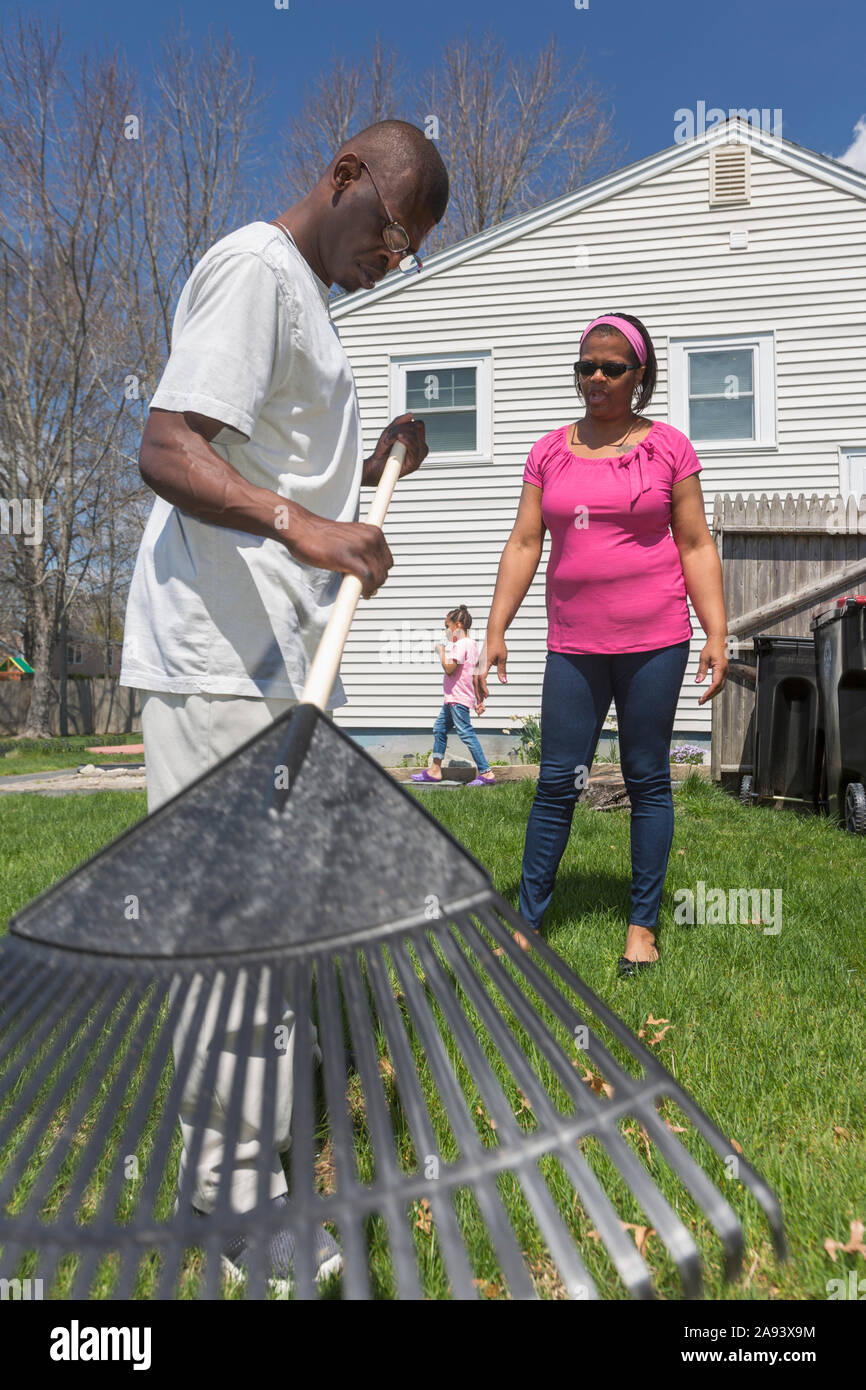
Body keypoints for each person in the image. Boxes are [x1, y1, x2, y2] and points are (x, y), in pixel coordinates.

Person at [119, 119, 449, 1292]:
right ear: (344, 176)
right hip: (218, 656)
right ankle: (233, 1198)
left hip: (276, 662)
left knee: (276, 921)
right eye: (395, 232)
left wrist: (365, 476)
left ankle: (257, 1127)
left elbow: (272, 465)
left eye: (409, 252)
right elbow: (165, 446)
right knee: (229, 935)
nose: (393, 258)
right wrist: (306, 524)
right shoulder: (258, 268)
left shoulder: (310, 305)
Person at [474, 312, 728, 974]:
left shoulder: (669, 447)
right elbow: (526, 541)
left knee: (648, 779)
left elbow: (696, 544)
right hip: (573, 645)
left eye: (611, 367)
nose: (595, 377)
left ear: (638, 376)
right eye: (586, 366)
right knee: (557, 781)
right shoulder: (549, 451)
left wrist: (717, 630)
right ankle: (526, 923)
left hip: (655, 641)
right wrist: (496, 628)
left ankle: (642, 927)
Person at [410, 605, 495, 786]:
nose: (446, 631)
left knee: (466, 733)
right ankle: (435, 770)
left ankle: (486, 773)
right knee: (439, 729)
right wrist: (478, 700)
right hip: (454, 698)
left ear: (457, 625)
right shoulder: (472, 645)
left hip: (457, 699)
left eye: (447, 626)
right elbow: (474, 674)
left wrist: (441, 651)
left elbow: (449, 669)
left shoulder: (460, 645)